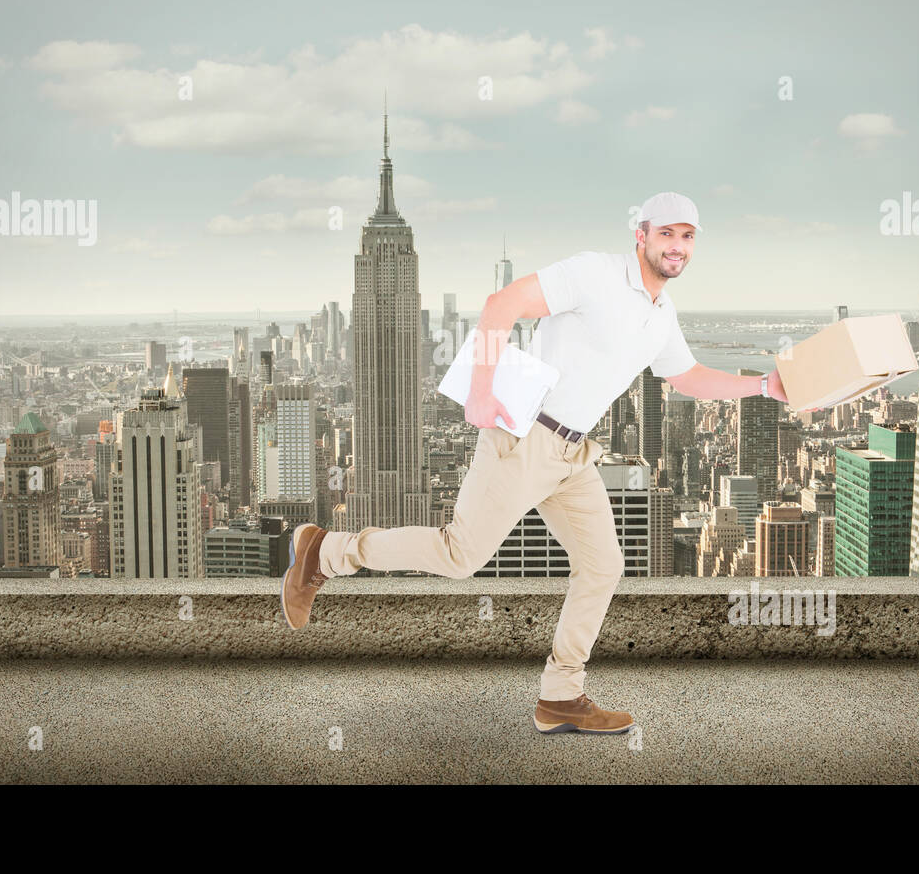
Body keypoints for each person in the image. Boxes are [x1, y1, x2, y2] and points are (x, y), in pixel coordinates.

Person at [281, 191, 789, 734]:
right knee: (460, 556)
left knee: (602, 566)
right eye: (666, 233)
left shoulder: (661, 315)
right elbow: (503, 305)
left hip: (574, 453)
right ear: (640, 235)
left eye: (687, 236)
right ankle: (327, 552)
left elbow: (687, 378)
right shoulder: (594, 273)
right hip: (526, 437)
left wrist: (764, 385)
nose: (677, 246)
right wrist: (480, 391)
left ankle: (561, 696)